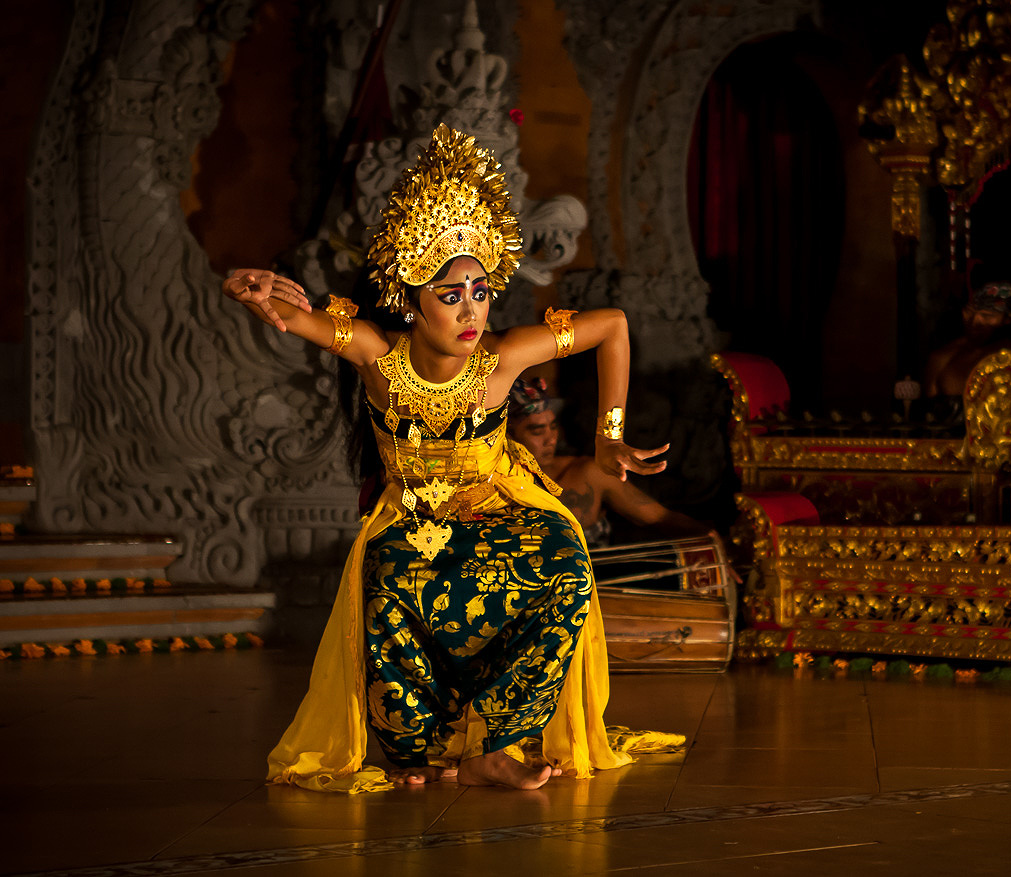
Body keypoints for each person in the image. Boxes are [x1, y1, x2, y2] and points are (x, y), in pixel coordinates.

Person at [222, 125, 677, 793]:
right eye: (451, 294)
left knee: (563, 555)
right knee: (387, 577)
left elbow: (613, 327)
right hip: (410, 518)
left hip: (497, 504)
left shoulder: (502, 357)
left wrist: (610, 432)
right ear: (411, 300)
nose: (471, 311)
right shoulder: (379, 356)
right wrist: (254, 291)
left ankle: (497, 741)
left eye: (482, 292)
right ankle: (426, 748)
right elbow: (295, 318)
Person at [506, 378, 710, 547]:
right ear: (508, 434)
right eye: (537, 430)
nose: (551, 439)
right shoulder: (495, 484)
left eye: (553, 427)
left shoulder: (588, 473)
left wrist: (709, 538)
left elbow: (660, 517)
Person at [923, 282, 1011, 420]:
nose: (975, 321)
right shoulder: (943, 356)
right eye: (969, 312)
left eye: (987, 315)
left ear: (1007, 319)